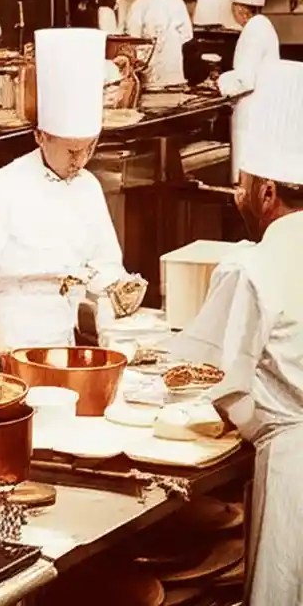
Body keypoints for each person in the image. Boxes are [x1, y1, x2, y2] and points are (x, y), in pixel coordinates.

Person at [164, 59, 303, 606]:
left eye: (242, 186)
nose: (239, 197)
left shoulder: (255, 267)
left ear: (266, 191)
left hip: (295, 466)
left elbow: (221, 381)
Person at [0, 28, 138, 367]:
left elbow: (106, 264)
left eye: (90, 148)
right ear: (40, 136)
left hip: (58, 343)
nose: (80, 161)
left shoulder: (88, 188)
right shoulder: (2, 186)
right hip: (0, 347)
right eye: (71, 150)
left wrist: (120, 287)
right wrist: (1, 345)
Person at [217, 0, 280, 179]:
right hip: (261, 112)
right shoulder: (264, 25)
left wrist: (219, 83)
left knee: (245, 178)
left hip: (252, 115)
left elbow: (245, 80)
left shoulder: (254, 29)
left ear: (242, 9)